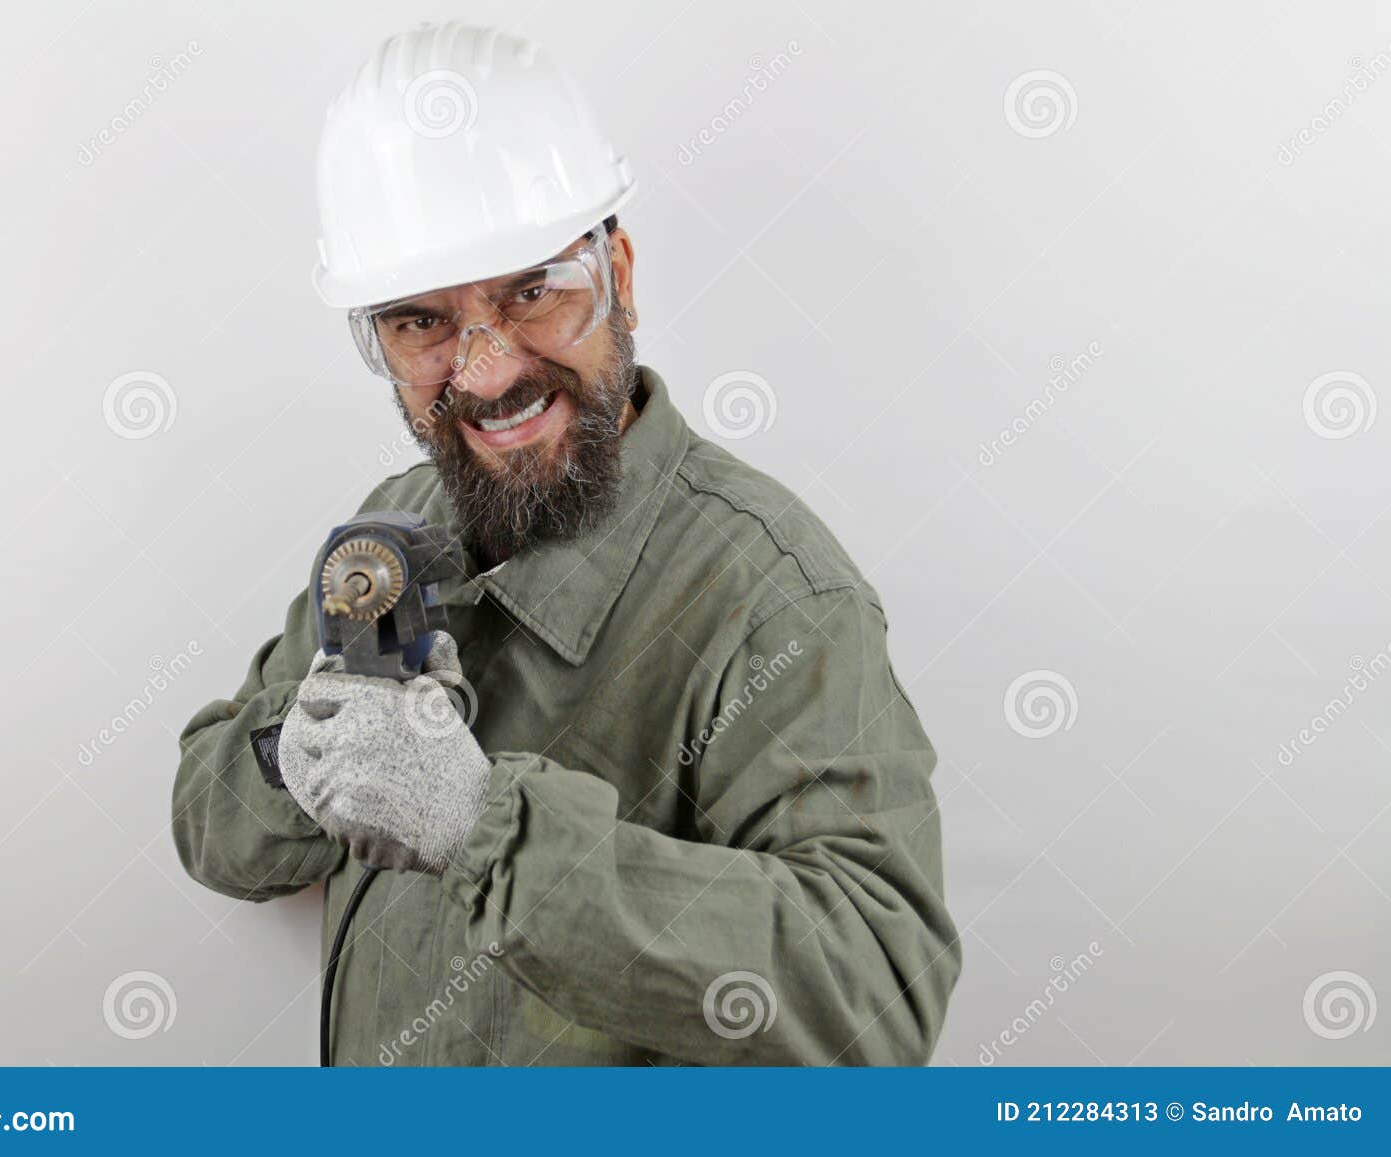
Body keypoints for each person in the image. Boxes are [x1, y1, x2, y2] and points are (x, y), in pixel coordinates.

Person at [171, 19, 959, 1066]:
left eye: (532, 290)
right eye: (420, 322)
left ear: (618, 273)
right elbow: (211, 828)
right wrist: (296, 755)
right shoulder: (397, 517)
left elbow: (873, 996)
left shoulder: (774, 598)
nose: (488, 370)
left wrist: (483, 822)